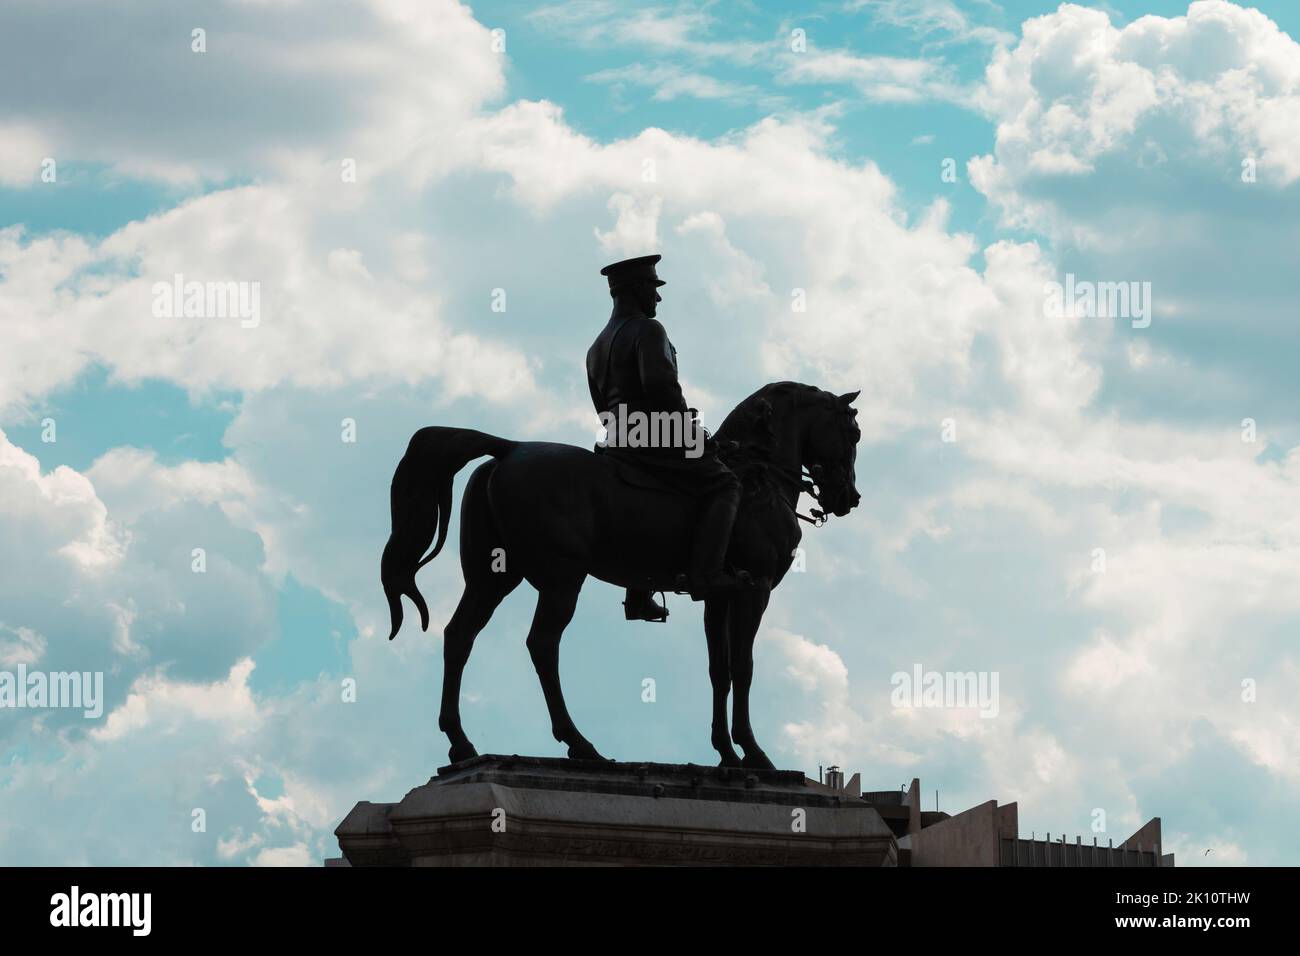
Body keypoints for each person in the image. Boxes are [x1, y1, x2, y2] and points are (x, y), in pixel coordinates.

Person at [585, 254, 750, 623]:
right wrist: (690, 432)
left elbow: (601, 406)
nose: (657, 298)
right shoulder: (647, 331)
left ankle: (638, 596)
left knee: (646, 495)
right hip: (656, 437)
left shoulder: (596, 346)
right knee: (725, 484)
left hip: (618, 440)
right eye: (653, 289)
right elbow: (662, 390)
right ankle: (707, 573)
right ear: (635, 290)